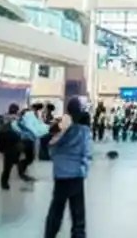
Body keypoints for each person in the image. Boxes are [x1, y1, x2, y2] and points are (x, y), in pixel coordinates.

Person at [45, 97, 92, 238]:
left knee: (56, 209)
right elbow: (87, 152)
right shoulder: (84, 131)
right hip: (76, 175)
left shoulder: (60, 128)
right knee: (78, 213)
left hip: (60, 175)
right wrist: (84, 171)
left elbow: (52, 149)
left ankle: (49, 234)